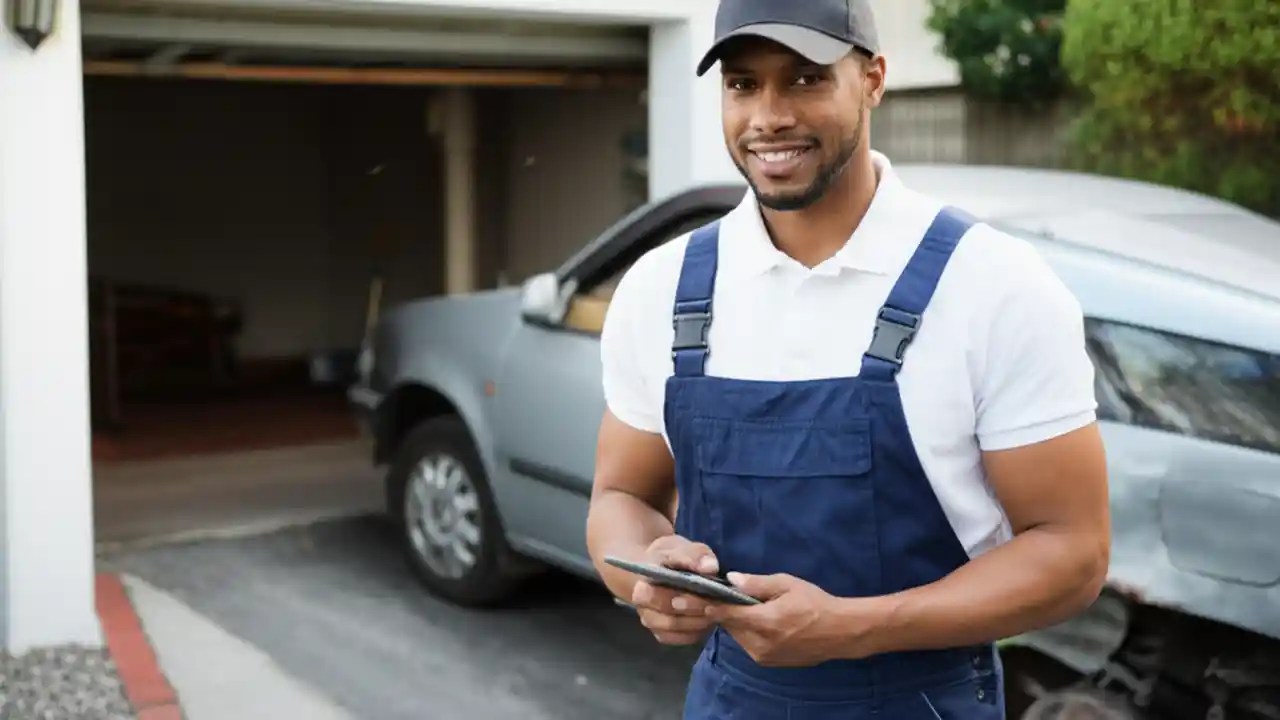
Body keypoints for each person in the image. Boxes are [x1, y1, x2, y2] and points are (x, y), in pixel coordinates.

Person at [584, 0, 1111, 717]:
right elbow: (622, 498)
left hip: (921, 700)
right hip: (731, 700)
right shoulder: (662, 290)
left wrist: (855, 629)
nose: (768, 116)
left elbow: (1072, 554)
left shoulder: (994, 286)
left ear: (873, 79)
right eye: (743, 85)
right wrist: (648, 575)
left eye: (805, 79)